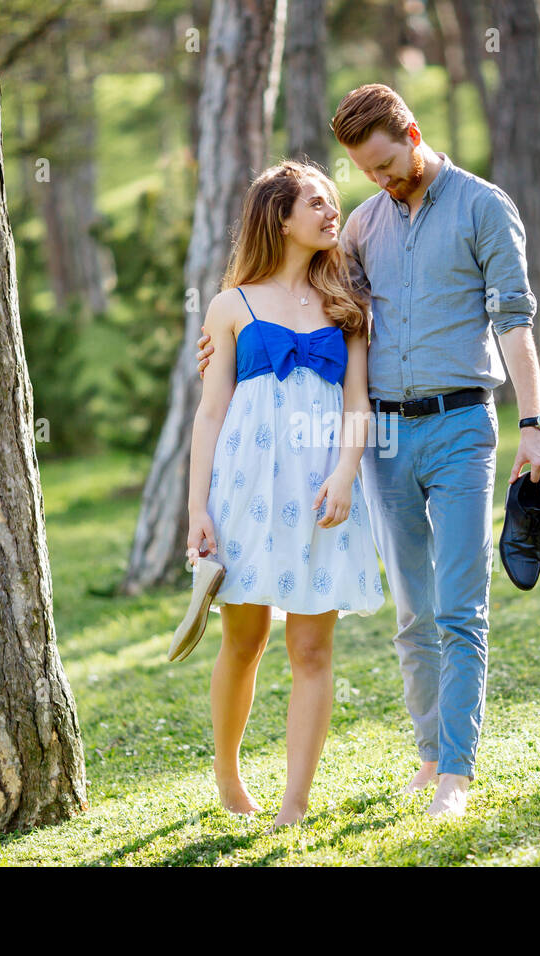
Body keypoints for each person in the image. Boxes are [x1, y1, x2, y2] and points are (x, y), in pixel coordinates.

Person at [198, 84, 540, 817]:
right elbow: (311, 297)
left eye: (389, 164)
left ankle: (456, 773)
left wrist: (535, 421)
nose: (380, 182)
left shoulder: (484, 206)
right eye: (366, 172)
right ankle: (430, 757)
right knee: (412, 613)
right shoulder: (362, 227)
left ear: (414, 134)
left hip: (462, 425)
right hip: (385, 442)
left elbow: (515, 321)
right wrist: (231, 329)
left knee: (461, 607)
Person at [185, 160, 384, 830]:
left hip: (321, 483)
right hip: (245, 487)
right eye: (317, 203)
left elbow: (357, 402)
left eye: (333, 201)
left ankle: (294, 803)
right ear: (279, 217)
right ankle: (228, 772)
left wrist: (346, 471)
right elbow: (209, 413)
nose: (332, 212)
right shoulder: (231, 306)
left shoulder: (345, 304)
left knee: (312, 649)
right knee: (244, 638)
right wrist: (197, 509)